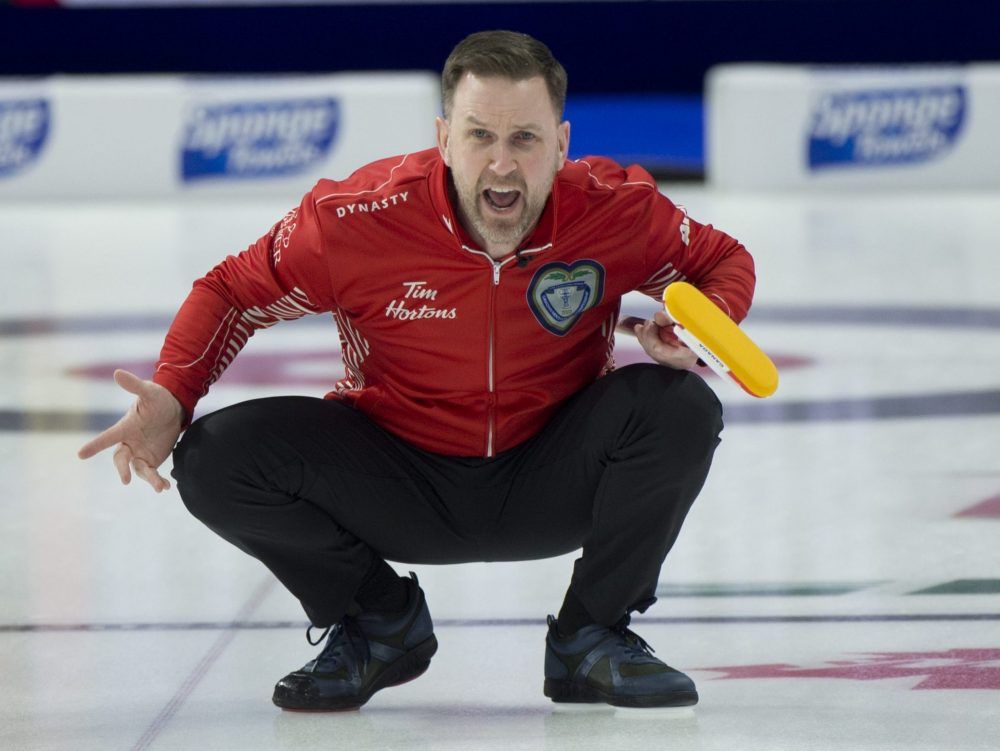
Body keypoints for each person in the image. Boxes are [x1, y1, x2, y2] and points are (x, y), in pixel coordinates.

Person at [78, 30, 755, 711]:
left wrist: (700, 327)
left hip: (552, 473)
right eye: (479, 135)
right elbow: (231, 290)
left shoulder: (617, 211)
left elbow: (723, 260)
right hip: (397, 480)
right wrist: (174, 390)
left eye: (525, 138)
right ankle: (379, 622)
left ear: (562, 143)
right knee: (217, 458)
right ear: (442, 137)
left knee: (680, 406)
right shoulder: (353, 219)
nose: (501, 164)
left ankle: (592, 635)